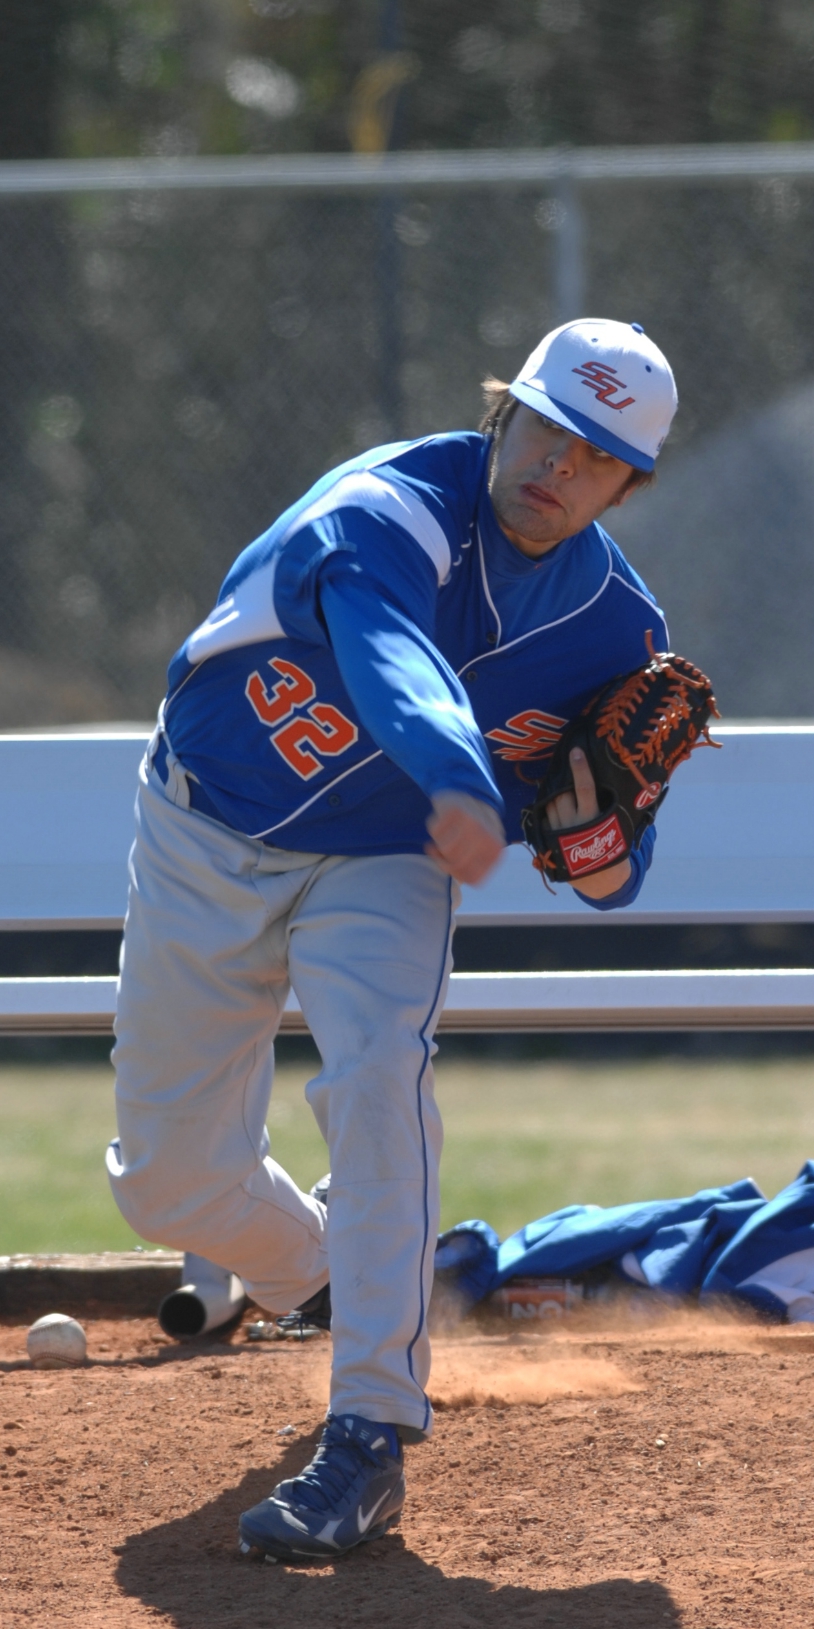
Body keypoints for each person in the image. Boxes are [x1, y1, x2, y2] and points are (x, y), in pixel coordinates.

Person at [105, 317, 677, 1561]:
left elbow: (612, 876)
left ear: (627, 484)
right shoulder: (383, 507)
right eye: (546, 429)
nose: (558, 466)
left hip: (385, 865)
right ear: (502, 411)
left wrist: (593, 844)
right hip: (206, 828)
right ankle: (318, 1269)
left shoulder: (618, 632)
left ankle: (366, 1430)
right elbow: (389, 653)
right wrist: (458, 775)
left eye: (595, 457)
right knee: (163, 1183)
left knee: (376, 1081)